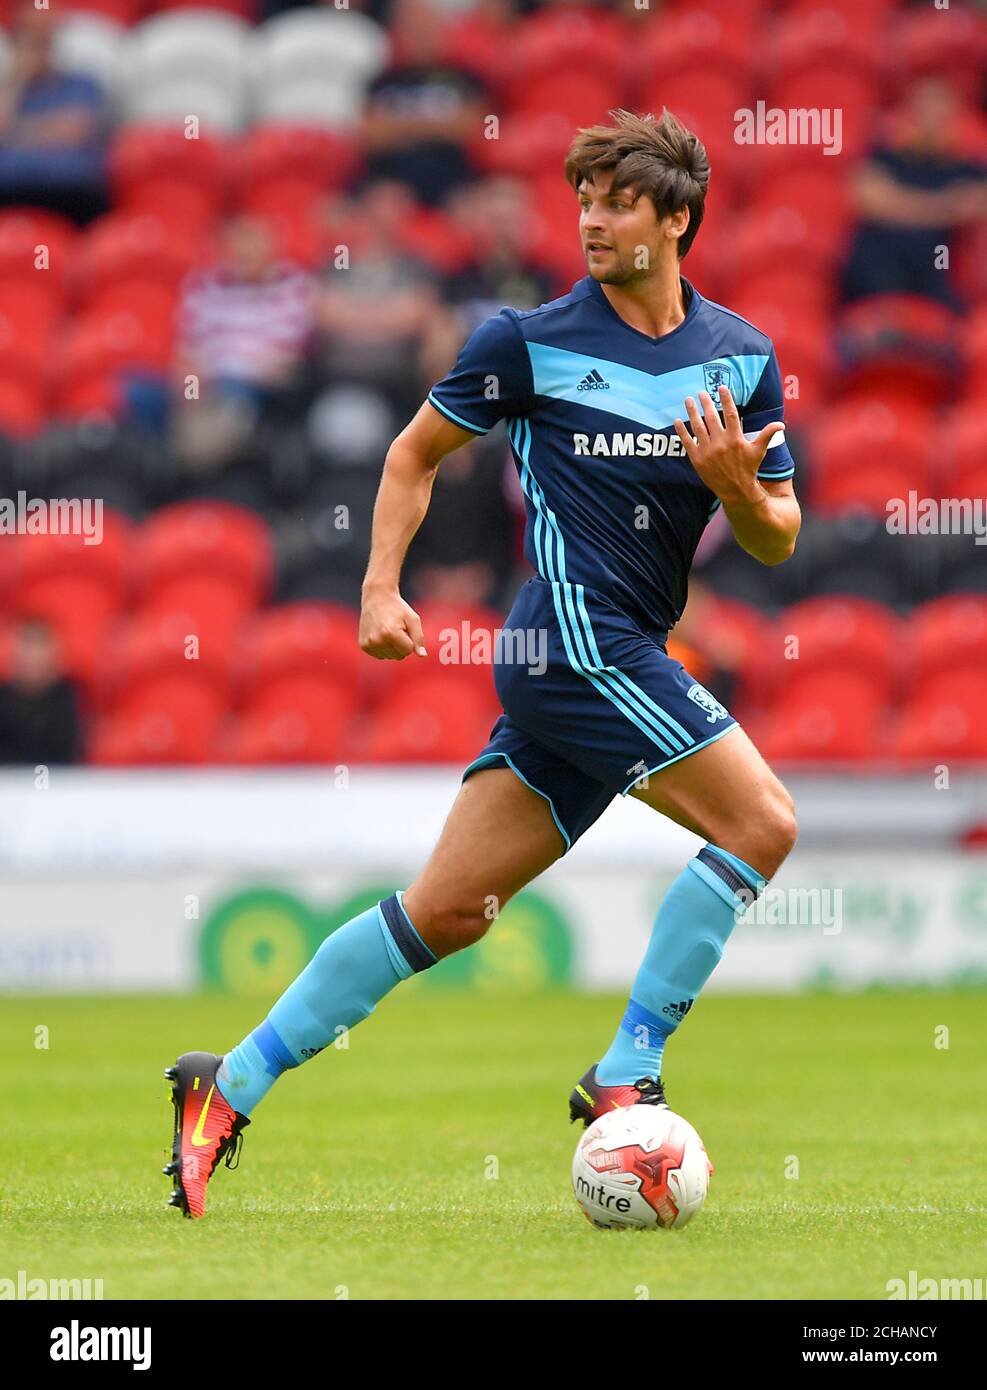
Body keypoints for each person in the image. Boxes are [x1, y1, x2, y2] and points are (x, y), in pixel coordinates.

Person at [163, 109, 801, 1219]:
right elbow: (413, 454)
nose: (592, 222)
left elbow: (779, 533)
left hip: (621, 651)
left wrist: (739, 486)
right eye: (585, 201)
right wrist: (378, 587)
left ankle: (230, 1083)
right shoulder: (527, 339)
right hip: (571, 642)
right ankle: (626, 1073)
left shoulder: (741, 357)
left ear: (679, 219)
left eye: (616, 203)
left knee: (447, 912)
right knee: (765, 823)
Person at [0, 5, 108, 223]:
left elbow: (75, 131)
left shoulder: (82, 84)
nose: (39, 46)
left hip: (70, 191)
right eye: (31, 38)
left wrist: (17, 131)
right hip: (9, 190)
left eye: (45, 37)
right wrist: (18, 80)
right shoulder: (7, 89)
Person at [0, 618, 81, 765]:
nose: (33, 658)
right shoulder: (3, 699)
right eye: (27, 648)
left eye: (39, 648)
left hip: (60, 783)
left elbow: (71, 753)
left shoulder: (71, 696)